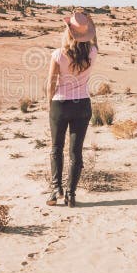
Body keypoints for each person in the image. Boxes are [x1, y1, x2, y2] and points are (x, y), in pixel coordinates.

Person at [45, 11, 97, 207]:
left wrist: (49, 103)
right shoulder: (92, 53)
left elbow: (50, 82)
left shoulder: (58, 54)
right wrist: (90, 23)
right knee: (76, 152)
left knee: (56, 148)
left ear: (68, 32)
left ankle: (55, 189)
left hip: (61, 104)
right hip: (82, 105)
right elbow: (94, 39)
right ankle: (71, 194)